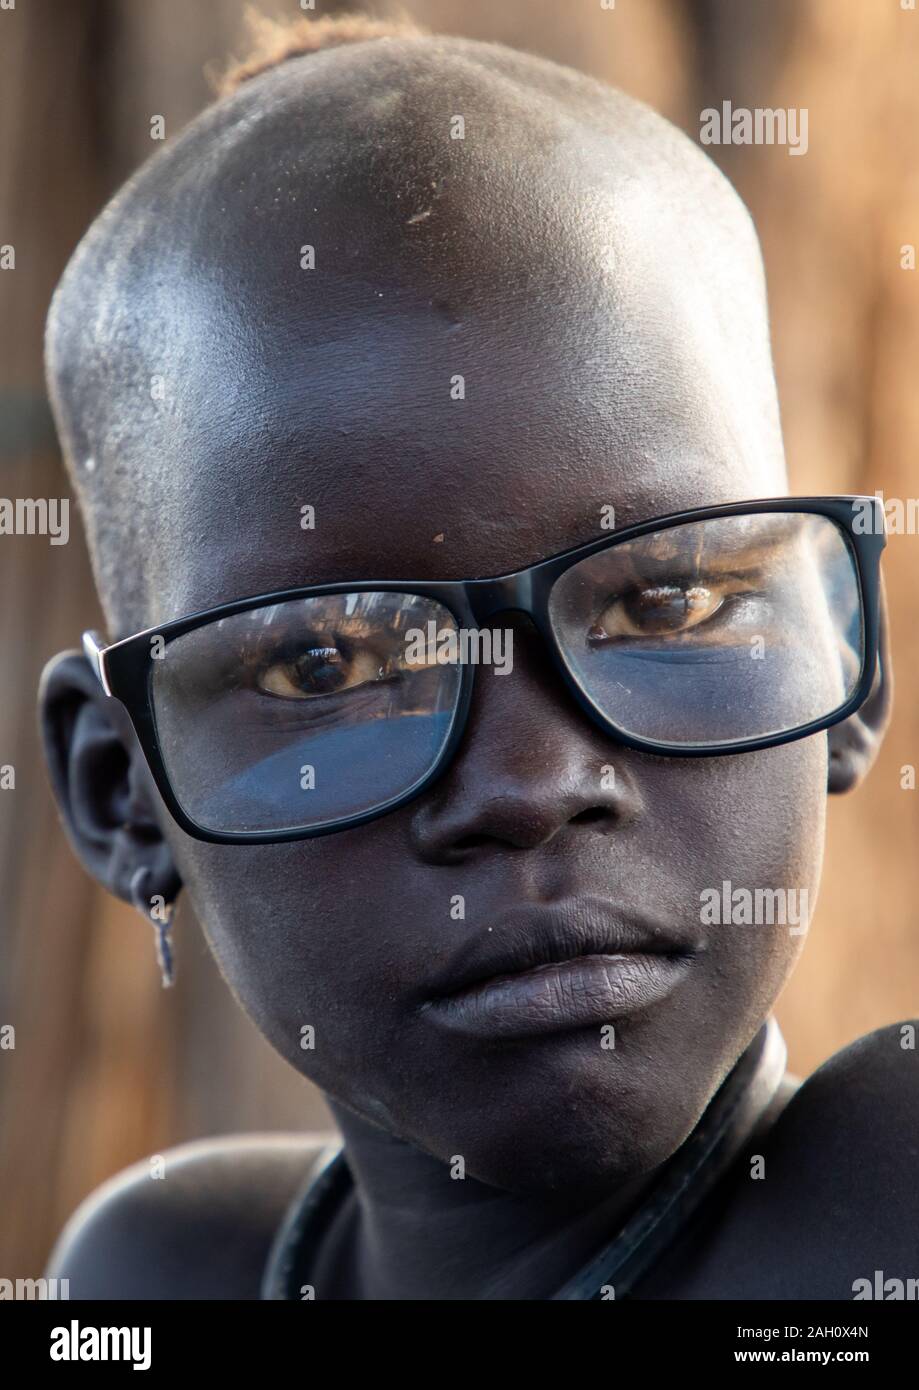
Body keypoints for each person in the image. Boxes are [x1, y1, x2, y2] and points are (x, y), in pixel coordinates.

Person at [38, 14, 916, 1301]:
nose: (528, 783)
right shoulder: (150, 1280)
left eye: (668, 604)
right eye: (327, 668)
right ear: (125, 792)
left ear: (849, 646)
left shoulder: (879, 1208)